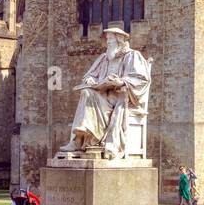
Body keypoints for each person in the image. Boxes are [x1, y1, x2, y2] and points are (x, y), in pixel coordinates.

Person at [59, 26, 151, 159]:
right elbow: (89, 75)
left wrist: (121, 82)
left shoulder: (132, 56)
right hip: (102, 96)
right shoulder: (104, 58)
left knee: (90, 96)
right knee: (86, 92)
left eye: (110, 40)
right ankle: (77, 141)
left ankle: (85, 141)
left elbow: (141, 79)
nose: (107, 42)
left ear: (119, 41)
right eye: (107, 39)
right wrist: (90, 79)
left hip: (120, 98)